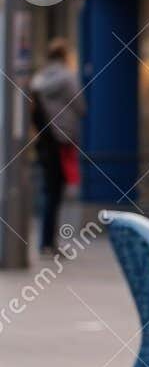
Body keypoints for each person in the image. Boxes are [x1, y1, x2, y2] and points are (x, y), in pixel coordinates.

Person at [29, 38, 83, 254]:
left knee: (47, 191)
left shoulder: (38, 79)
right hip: (62, 139)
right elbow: (80, 105)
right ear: (64, 56)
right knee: (57, 192)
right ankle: (49, 243)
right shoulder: (68, 78)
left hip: (45, 139)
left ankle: (46, 241)